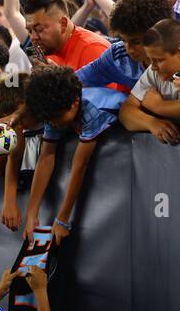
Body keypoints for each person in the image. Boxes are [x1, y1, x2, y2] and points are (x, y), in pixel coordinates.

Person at [22, 65, 122, 245]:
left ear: (75, 102)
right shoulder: (55, 110)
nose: (53, 124)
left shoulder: (92, 110)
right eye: (48, 120)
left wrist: (62, 219)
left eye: (56, 119)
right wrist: (31, 213)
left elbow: (79, 166)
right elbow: (45, 158)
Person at [121, 18, 180, 133]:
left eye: (159, 60)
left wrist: (158, 106)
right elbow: (126, 111)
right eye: (151, 59)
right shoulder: (155, 70)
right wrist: (151, 123)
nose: (153, 67)